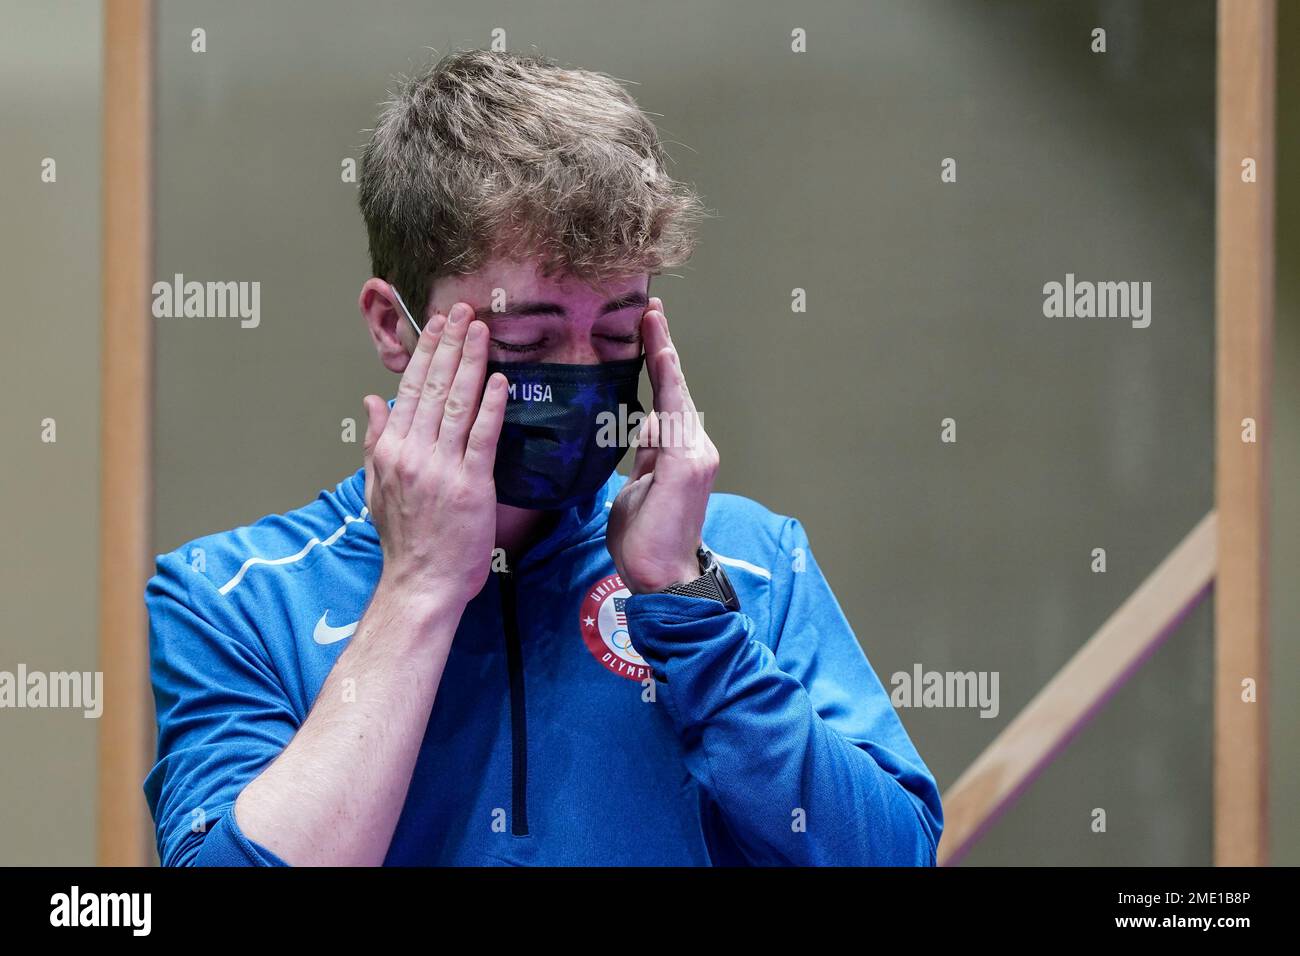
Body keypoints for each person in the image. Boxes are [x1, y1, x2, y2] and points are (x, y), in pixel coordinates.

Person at [144, 48, 943, 866]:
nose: (579, 374)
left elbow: (894, 856)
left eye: (614, 333)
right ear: (392, 324)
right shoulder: (231, 596)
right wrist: (418, 591)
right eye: (525, 338)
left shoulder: (748, 559)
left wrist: (689, 605)